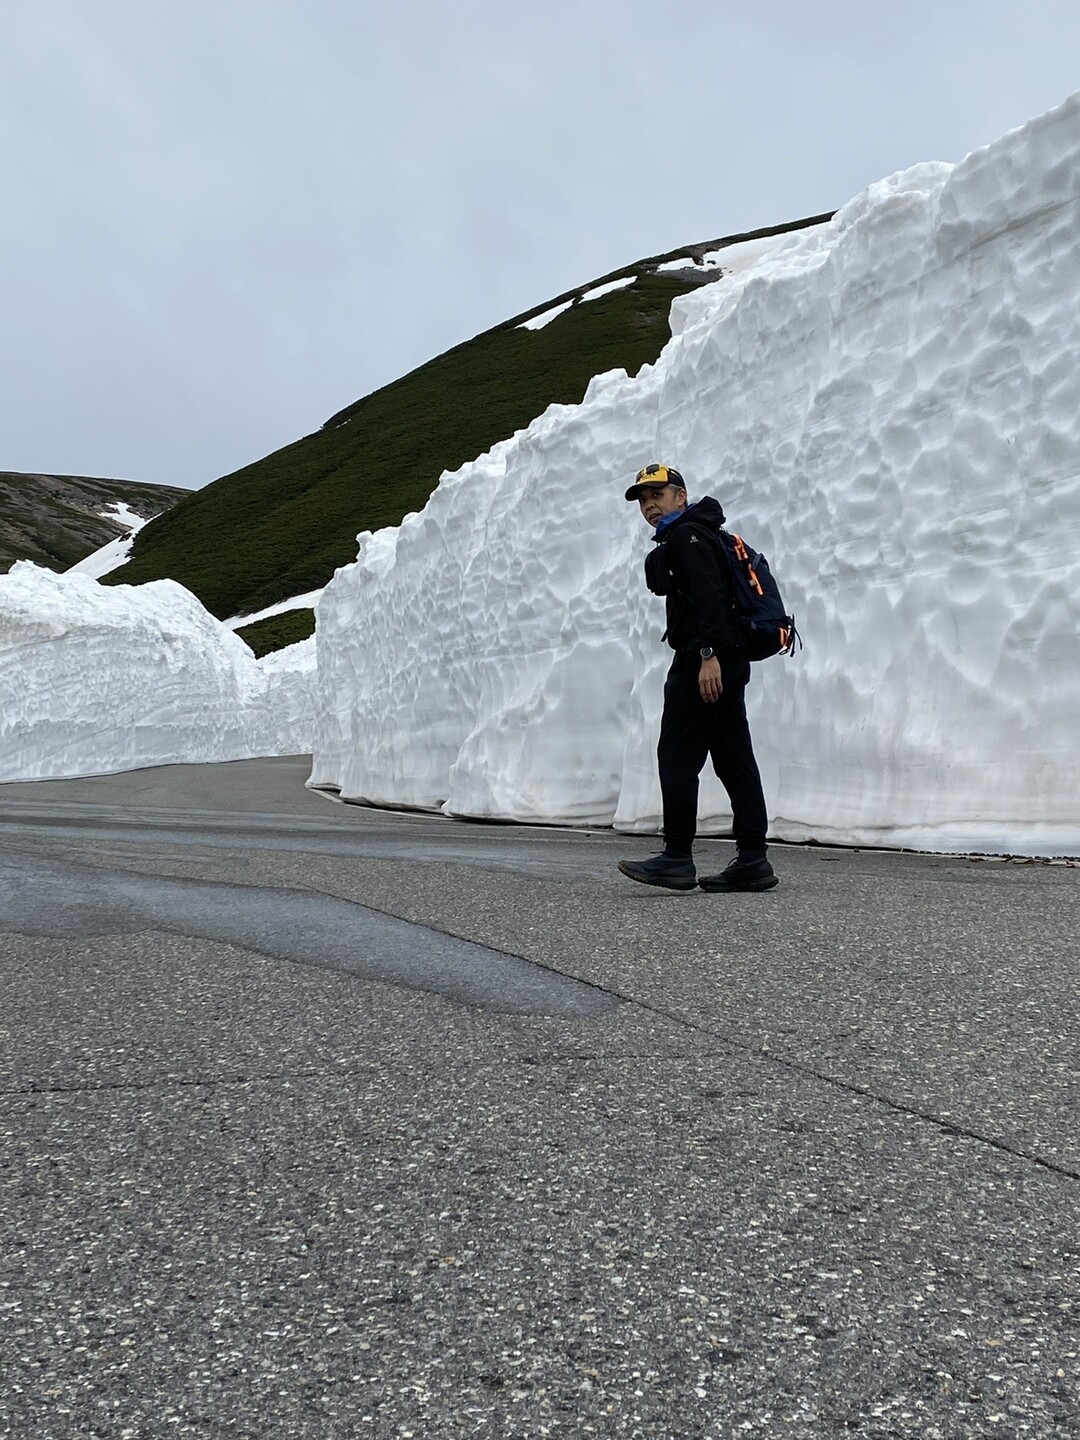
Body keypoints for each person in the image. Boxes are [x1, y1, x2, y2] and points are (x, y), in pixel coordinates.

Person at [618, 463, 778, 893]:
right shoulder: (696, 535)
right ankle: (752, 859)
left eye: (658, 495)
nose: (650, 505)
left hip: (703, 661)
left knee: (677, 756)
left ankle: (676, 858)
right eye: (643, 500)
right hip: (726, 658)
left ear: (680, 496)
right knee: (733, 759)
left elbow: (710, 597)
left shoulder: (688, 536)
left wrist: (707, 655)